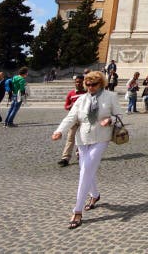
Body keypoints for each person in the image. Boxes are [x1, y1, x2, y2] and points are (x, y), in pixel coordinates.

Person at [52, 71, 121, 229]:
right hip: (82, 139)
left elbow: (120, 116)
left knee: (85, 169)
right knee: (86, 169)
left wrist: (110, 120)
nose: (90, 87)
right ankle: (95, 195)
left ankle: (77, 210)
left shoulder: (110, 96)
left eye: (94, 84)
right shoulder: (81, 99)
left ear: (101, 84)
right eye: (88, 85)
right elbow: (71, 117)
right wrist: (59, 131)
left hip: (102, 137)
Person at [58, 74, 87, 167]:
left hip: (84, 120)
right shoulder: (71, 93)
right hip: (73, 120)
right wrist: (70, 106)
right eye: (77, 82)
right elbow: (66, 106)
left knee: (83, 139)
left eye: (80, 82)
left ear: (84, 82)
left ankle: (80, 154)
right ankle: (65, 158)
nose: (78, 83)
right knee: (70, 138)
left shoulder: (87, 93)